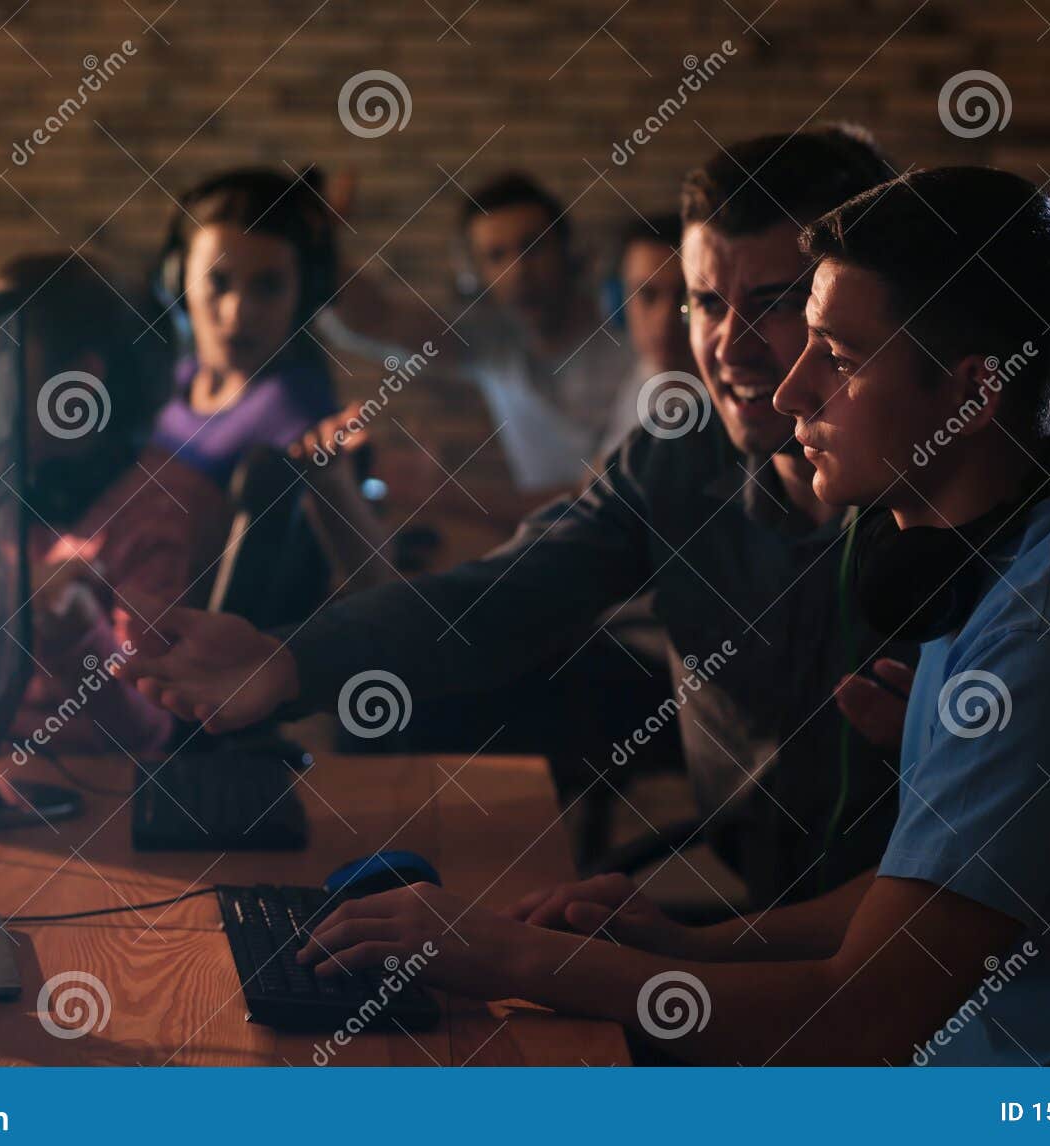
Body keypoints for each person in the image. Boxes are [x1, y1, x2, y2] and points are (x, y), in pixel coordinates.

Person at [285, 167, 1050, 1064]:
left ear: (971, 390)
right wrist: (689, 944)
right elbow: (920, 903)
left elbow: (859, 1025)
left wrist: (510, 952)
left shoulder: (1047, 635)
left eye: (841, 356)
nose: (794, 385)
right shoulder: (1013, 540)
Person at [131, 127, 914, 909]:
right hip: (763, 914)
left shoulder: (950, 497)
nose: (726, 345)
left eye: (775, 303)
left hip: (904, 945)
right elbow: (504, 592)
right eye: (705, 301)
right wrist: (289, 660)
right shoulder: (675, 457)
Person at [0, 253, 230, 757]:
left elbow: (149, 731)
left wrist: (74, 634)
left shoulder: (160, 514)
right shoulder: (0, 481)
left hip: (91, 801)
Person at [151, 168, 396, 600]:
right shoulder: (182, 377)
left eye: (268, 287)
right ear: (178, 279)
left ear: (302, 295)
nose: (237, 313)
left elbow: (378, 583)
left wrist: (332, 482)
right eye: (218, 282)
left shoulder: (295, 412)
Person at [328, 171, 636, 512]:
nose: (518, 270)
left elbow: (605, 500)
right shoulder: (492, 344)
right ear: (475, 274)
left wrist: (445, 498)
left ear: (567, 249)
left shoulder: (636, 339)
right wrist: (320, 243)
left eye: (533, 247)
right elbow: (375, 321)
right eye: (496, 256)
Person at [597, 212, 702, 459]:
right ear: (618, 301)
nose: (665, 319)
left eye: (685, 297)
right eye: (648, 295)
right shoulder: (644, 374)